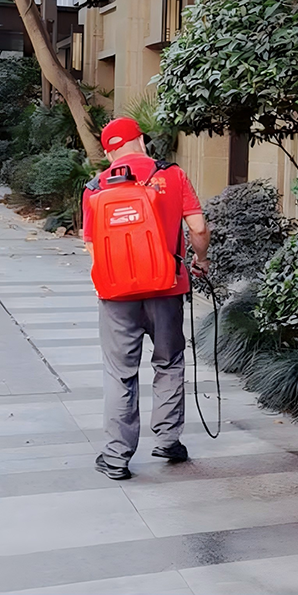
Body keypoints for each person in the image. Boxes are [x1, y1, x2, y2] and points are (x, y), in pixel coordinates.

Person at [82, 116, 210, 480]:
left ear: (109, 153)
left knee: (120, 373)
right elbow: (199, 228)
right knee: (169, 362)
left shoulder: (95, 188)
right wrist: (201, 260)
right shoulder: (171, 175)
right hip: (166, 289)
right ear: (141, 140)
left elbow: (92, 247)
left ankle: (116, 456)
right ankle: (168, 440)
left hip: (116, 295)